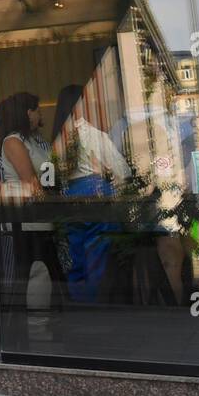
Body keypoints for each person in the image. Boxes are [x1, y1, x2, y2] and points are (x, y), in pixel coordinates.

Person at [51, 84, 131, 303]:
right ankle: (96, 306)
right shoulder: (94, 135)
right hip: (96, 196)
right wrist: (105, 173)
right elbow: (123, 171)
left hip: (68, 200)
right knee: (97, 258)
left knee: (75, 259)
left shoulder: (57, 139)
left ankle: (78, 303)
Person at [0, 91, 59, 341]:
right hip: (26, 220)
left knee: (44, 275)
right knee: (34, 274)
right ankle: (33, 329)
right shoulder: (13, 142)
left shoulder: (35, 140)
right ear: (25, 112)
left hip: (42, 219)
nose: (39, 114)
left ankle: (41, 325)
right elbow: (31, 183)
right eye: (35, 109)